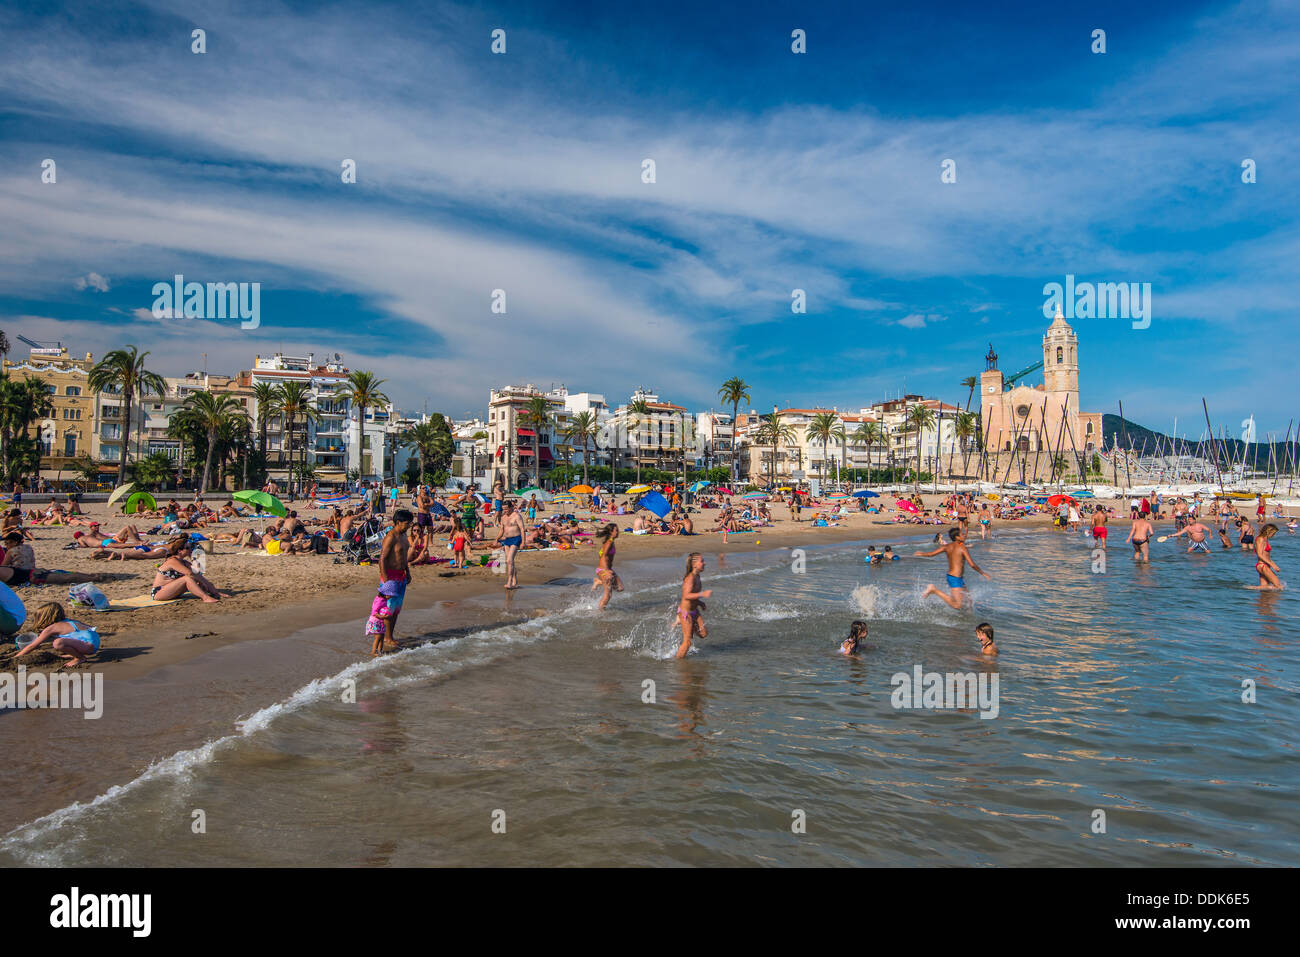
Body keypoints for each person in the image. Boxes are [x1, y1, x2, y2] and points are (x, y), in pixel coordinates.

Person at [369, 508, 413, 655]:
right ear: (398, 522)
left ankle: (390, 636)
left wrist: (407, 571)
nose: (408, 526)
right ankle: (387, 638)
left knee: (396, 610)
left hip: (401, 576)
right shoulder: (391, 537)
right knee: (388, 609)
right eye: (406, 523)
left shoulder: (403, 535)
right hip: (390, 577)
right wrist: (386, 581)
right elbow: (382, 559)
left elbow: (403, 555)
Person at [914, 527, 989, 610]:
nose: (964, 535)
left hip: (955, 577)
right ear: (957, 537)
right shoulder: (962, 548)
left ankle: (968, 619)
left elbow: (931, 554)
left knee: (969, 601)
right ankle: (934, 590)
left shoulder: (947, 546)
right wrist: (983, 573)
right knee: (957, 605)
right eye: (962, 534)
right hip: (955, 579)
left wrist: (922, 554)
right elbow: (972, 565)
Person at [15, 601, 102, 669]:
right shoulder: (70, 621)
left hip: (88, 646)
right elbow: (90, 628)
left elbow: (32, 645)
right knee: (63, 641)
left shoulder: (51, 628)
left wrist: (17, 657)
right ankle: (76, 653)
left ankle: (79, 658)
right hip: (94, 641)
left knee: (58, 643)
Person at [149, 537, 222, 601]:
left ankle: (215, 593)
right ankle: (205, 598)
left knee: (197, 577)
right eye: (187, 548)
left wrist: (192, 557)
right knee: (187, 578)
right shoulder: (172, 561)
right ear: (179, 550)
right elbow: (189, 573)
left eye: (190, 548)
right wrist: (202, 582)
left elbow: (197, 572)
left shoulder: (184, 562)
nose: (190, 549)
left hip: (172, 590)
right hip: (159, 592)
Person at [674, 552, 711, 659]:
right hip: (686, 613)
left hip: (695, 611)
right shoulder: (690, 578)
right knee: (687, 643)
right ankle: (677, 664)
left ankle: (685, 626)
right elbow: (686, 595)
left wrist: (700, 602)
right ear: (694, 564)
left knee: (703, 633)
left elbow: (693, 595)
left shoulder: (697, 576)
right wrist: (702, 594)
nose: (705, 563)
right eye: (702, 561)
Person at [494, 500, 525, 590]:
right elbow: (502, 530)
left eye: (506, 509)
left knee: (509, 560)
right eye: (503, 509)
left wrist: (523, 542)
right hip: (507, 540)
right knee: (510, 561)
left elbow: (522, 529)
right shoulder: (503, 517)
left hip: (516, 539)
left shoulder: (517, 516)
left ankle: (509, 582)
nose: (505, 511)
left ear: (511, 508)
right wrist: (496, 539)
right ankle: (515, 580)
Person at [592, 523, 622, 609]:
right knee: (608, 595)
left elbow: (601, 555)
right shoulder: (609, 542)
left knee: (620, 588)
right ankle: (600, 612)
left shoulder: (610, 541)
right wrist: (606, 570)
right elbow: (604, 555)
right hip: (603, 570)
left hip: (607, 568)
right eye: (616, 530)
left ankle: (599, 582)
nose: (618, 532)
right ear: (611, 532)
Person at [1251, 523, 1284, 590]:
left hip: (1265, 565)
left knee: (1265, 590)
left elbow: (1267, 556)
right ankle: (1249, 588)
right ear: (1268, 531)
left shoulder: (1265, 540)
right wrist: (1272, 565)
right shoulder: (1260, 539)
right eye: (1273, 533)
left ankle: (1265, 600)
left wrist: (1274, 564)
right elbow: (1259, 554)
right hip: (1262, 565)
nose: (1274, 535)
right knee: (1279, 586)